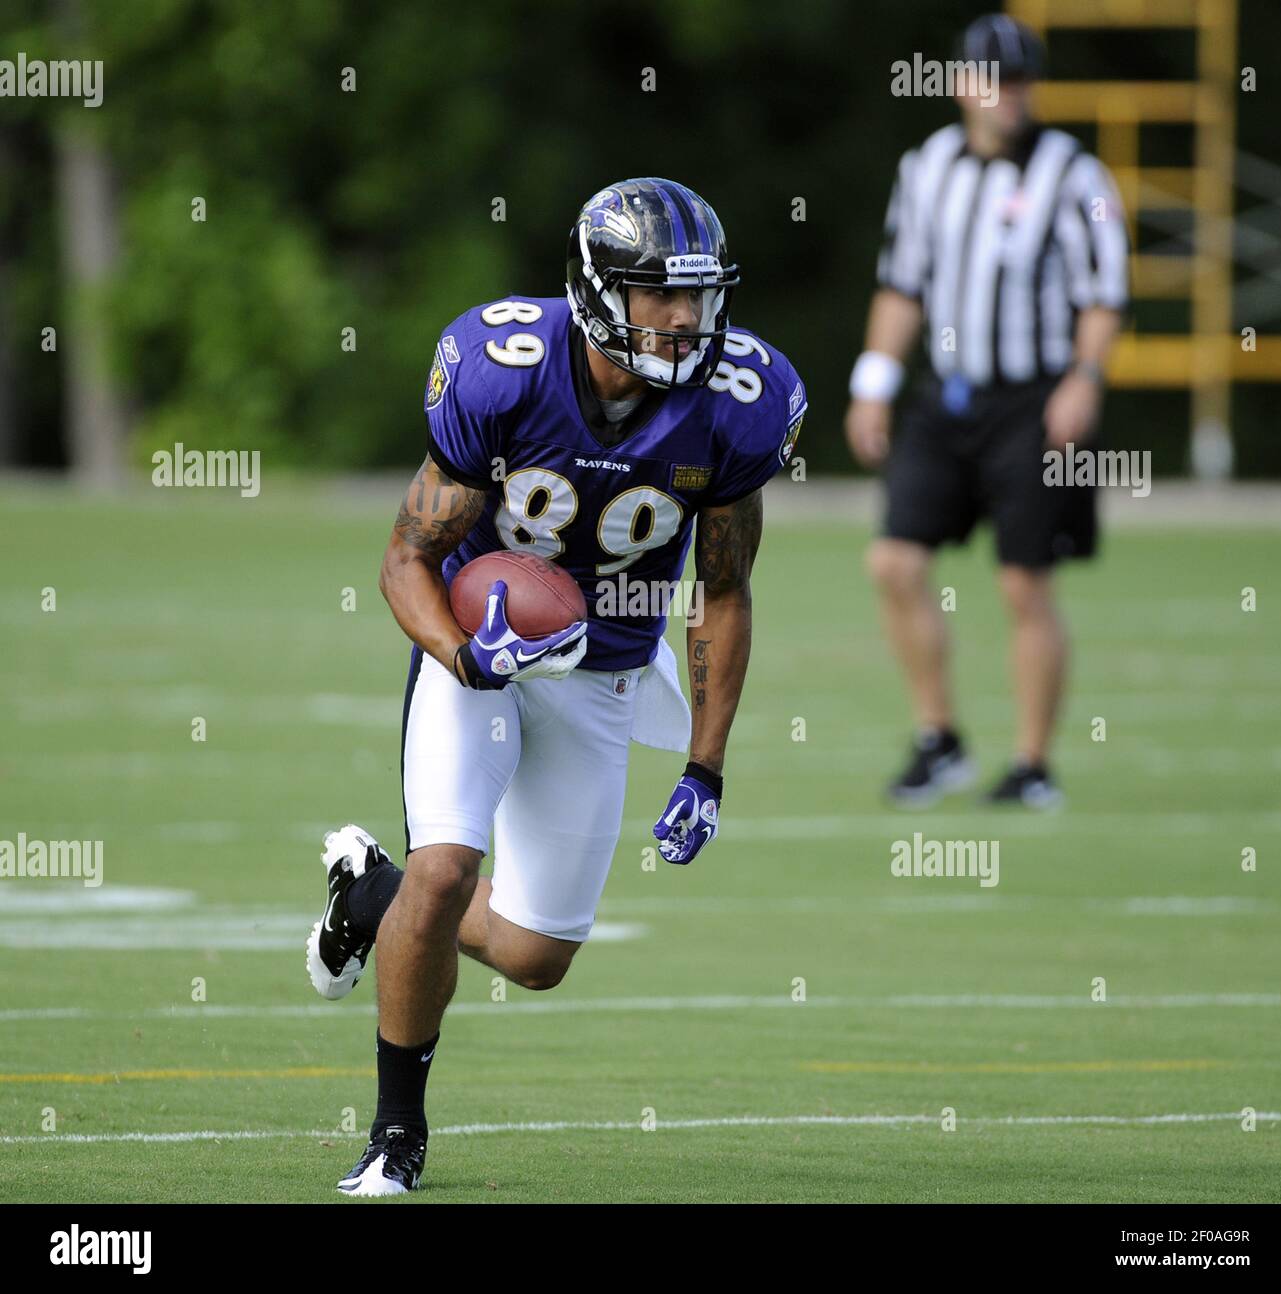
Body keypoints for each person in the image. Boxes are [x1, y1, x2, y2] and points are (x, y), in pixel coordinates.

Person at [305, 178, 807, 1195]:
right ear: (592, 293)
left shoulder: (734, 407)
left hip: (606, 669)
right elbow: (406, 557)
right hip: (480, 642)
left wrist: (706, 768)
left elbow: (721, 590)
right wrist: (461, 654)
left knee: (536, 955)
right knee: (447, 869)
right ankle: (395, 1137)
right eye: (656, 294)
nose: (683, 318)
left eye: (697, 295)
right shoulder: (504, 372)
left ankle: (369, 890)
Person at [844, 14, 1128, 808]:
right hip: (948, 394)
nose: (1011, 96)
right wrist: (874, 380)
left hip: (1034, 398)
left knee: (1022, 583)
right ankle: (939, 738)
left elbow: (1104, 292)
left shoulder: (1073, 174)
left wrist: (1084, 378)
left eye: (1023, 81)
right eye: (997, 80)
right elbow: (902, 282)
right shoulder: (928, 165)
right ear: (963, 83)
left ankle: (1033, 763)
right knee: (894, 562)